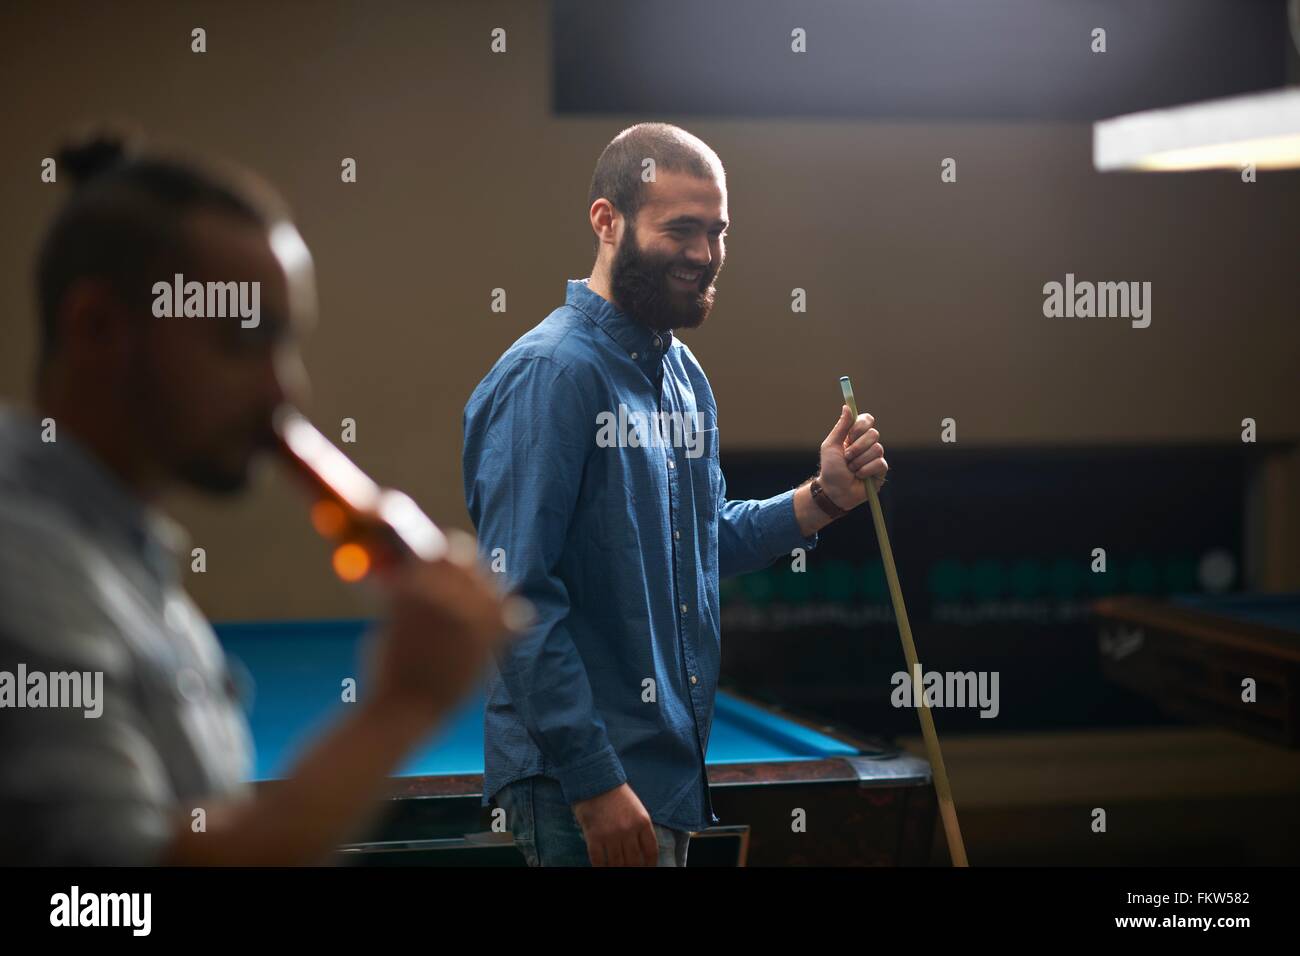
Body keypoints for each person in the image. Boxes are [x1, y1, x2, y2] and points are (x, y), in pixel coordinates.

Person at [0, 133, 513, 865]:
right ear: (97, 328)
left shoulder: (119, 553)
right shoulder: (17, 556)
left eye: (287, 344)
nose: (284, 390)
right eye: (244, 339)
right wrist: (406, 702)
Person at [462, 123, 888, 867]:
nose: (704, 253)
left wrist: (824, 497)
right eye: (680, 229)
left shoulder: (684, 377)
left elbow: (700, 541)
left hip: (666, 781)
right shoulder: (552, 375)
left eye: (716, 231)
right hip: (575, 794)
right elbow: (514, 600)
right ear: (607, 221)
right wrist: (595, 784)